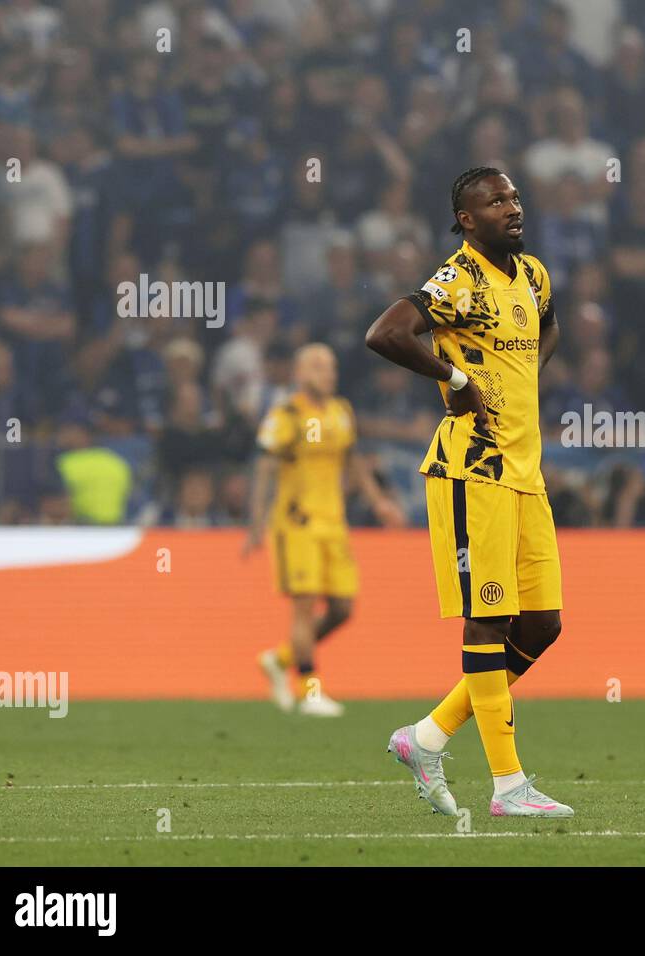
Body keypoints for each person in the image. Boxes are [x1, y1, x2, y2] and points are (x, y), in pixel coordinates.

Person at [365, 167, 573, 818]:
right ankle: (509, 787)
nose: (512, 207)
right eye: (495, 201)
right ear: (466, 220)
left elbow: (549, 324)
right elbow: (386, 333)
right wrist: (454, 374)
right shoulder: (459, 280)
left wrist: (521, 381)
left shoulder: (532, 275)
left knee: (544, 625)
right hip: (472, 470)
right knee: (489, 619)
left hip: (525, 475)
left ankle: (425, 738)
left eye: (513, 197)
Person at [244, 343, 403, 717]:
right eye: (317, 366)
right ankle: (310, 690)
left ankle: (279, 660)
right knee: (304, 609)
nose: (327, 373)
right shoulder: (286, 415)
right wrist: (256, 524)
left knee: (343, 608)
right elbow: (265, 467)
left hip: (333, 523)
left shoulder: (340, 411)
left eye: (330, 366)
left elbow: (353, 461)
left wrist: (378, 500)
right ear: (299, 373)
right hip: (296, 524)